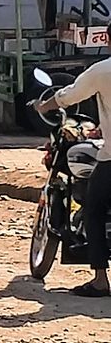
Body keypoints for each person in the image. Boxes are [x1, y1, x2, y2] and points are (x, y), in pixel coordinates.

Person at [31, 50, 111, 297]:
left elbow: (69, 95)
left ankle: (100, 280)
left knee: (93, 209)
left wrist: (42, 106)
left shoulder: (103, 70)